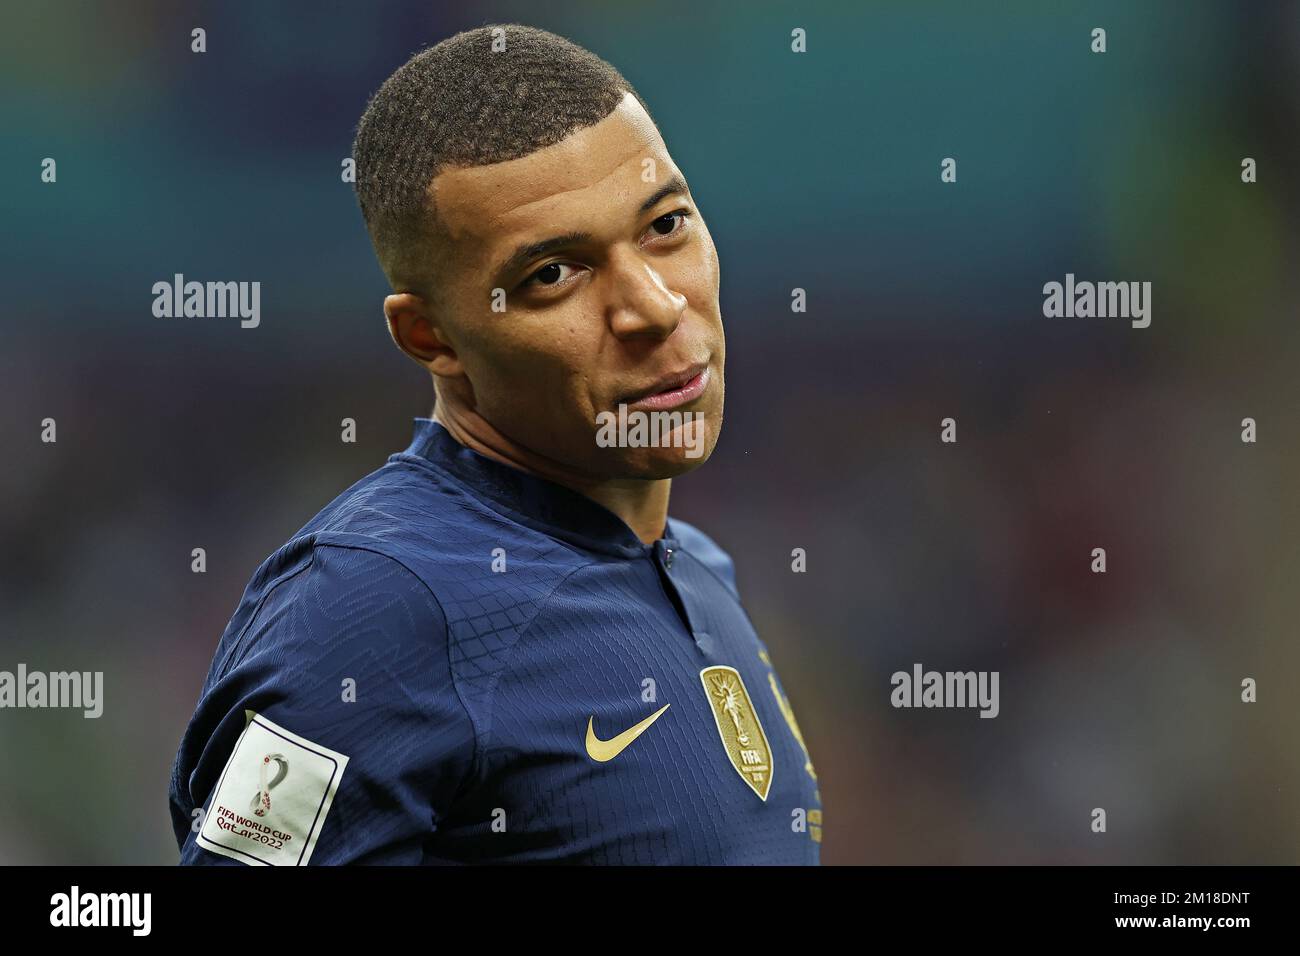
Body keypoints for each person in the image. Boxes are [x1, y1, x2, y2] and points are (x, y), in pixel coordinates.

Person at [168, 22, 821, 865]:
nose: (654, 306)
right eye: (553, 274)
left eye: (666, 225)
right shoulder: (373, 611)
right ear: (430, 336)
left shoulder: (695, 565)